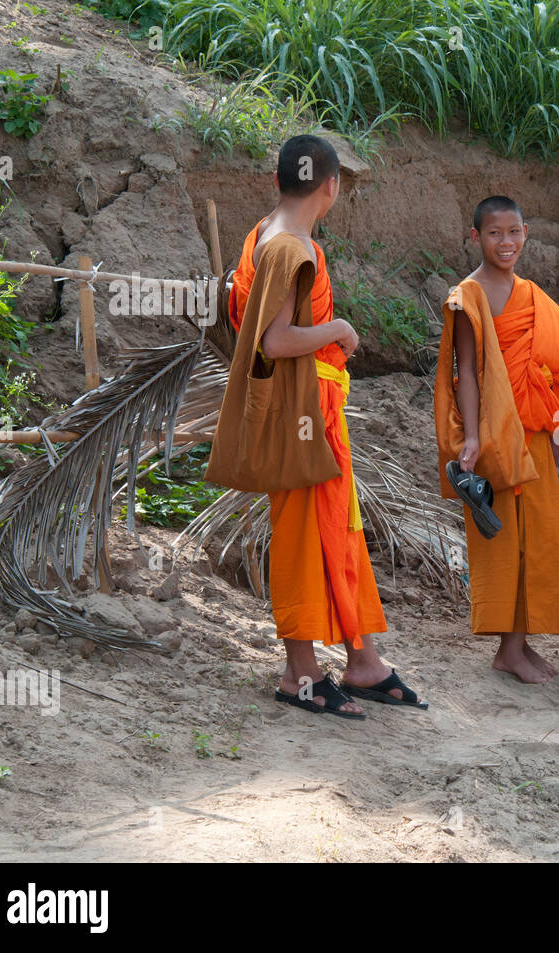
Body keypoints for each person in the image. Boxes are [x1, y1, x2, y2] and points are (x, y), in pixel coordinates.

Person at [213, 134, 425, 719]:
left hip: (310, 412)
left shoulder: (265, 232)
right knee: (307, 535)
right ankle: (299, 673)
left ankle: (363, 661)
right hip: (301, 416)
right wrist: (339, 330)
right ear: (329, 186)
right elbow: (275, 341)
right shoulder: (292, 249)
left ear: (280, 180)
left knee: (336, 526)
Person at [434, 195, 559, 684]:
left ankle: (521, 643)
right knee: (504, 542)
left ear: (525, 235)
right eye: (494, 233)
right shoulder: (468, 295)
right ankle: (508, 649)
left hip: (536, 432)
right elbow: (467, 375)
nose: (506, 242)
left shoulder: (534, 297)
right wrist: (471, 439)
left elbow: (555, 368)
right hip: (497, 435)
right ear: (475, 236)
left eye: (514, 232)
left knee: (542, 541)